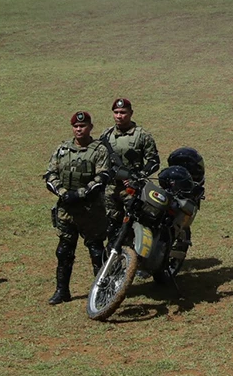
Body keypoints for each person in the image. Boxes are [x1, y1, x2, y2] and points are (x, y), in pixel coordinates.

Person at [44, 111, 111, 304]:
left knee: (97, 251)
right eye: (75, 126)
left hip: (91, 211)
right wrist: (64, 193)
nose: (79, 129)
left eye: (83, 126)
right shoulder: (62, 149)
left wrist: (80, 194)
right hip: (66, 211)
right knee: (64, 251)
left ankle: (102, 293)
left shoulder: (99, 150)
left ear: (90, 127)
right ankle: (62, 291)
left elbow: (102, 177)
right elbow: (50, 175)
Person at [97, 97, 159, 243]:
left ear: (131, 113)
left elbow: (154, 161)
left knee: (137, 223)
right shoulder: (106, 136)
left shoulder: (142, 135)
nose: (119, 116)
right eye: (116, 112)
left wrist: (138, 176)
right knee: (112, 224)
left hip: (133, 189)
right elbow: (99, 160)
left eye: (123, 112)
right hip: (111, 189)